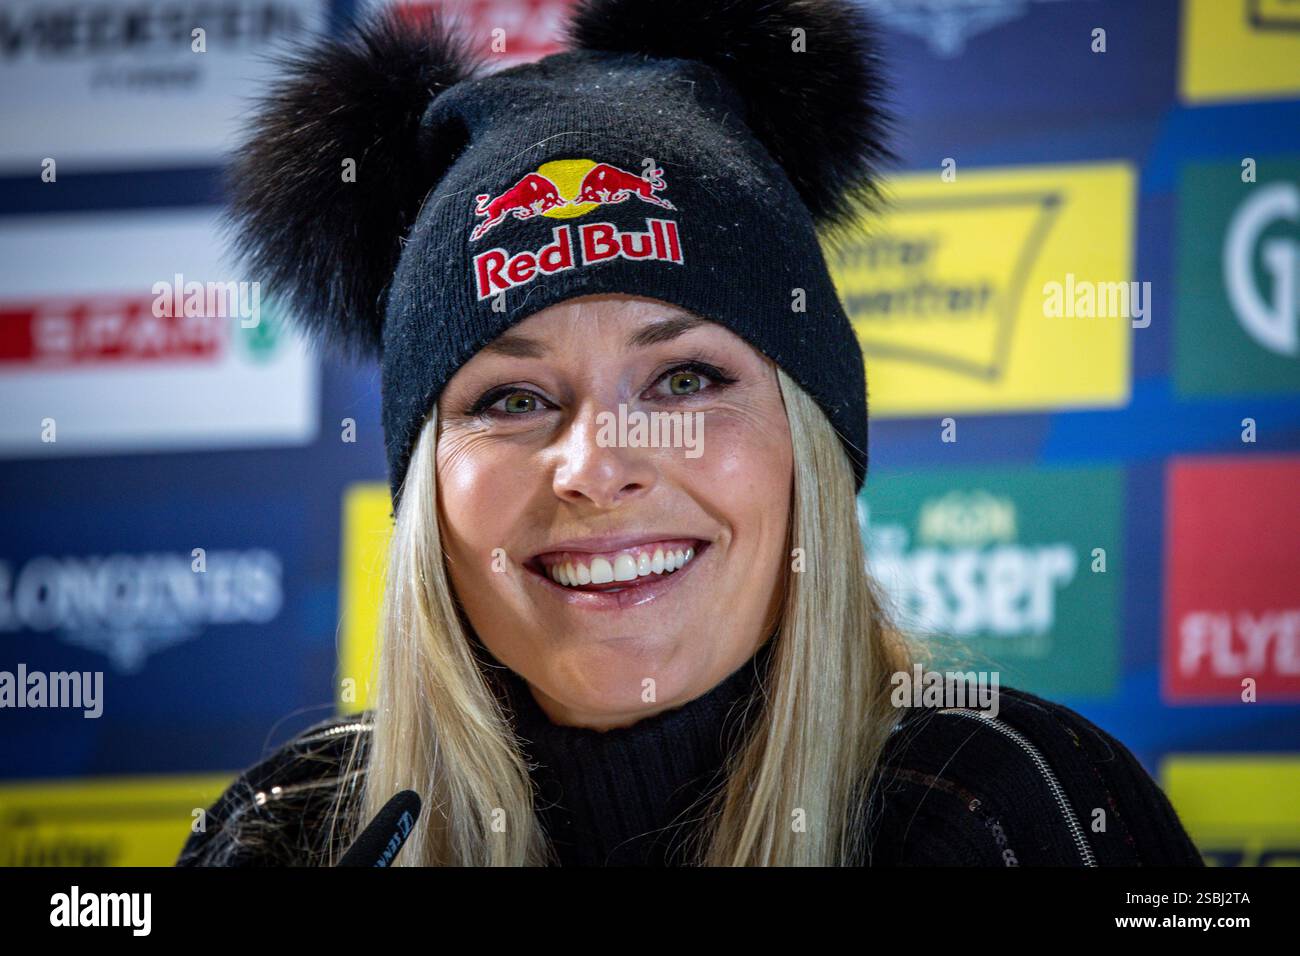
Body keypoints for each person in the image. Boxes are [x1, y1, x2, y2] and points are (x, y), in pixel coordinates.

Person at [177, 0, 1203, 867]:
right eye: (512, 398)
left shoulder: (1012, 808)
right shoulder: (281, 838)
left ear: (811, 443)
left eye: (682, 378)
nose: (595, 466)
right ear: (422, 487)